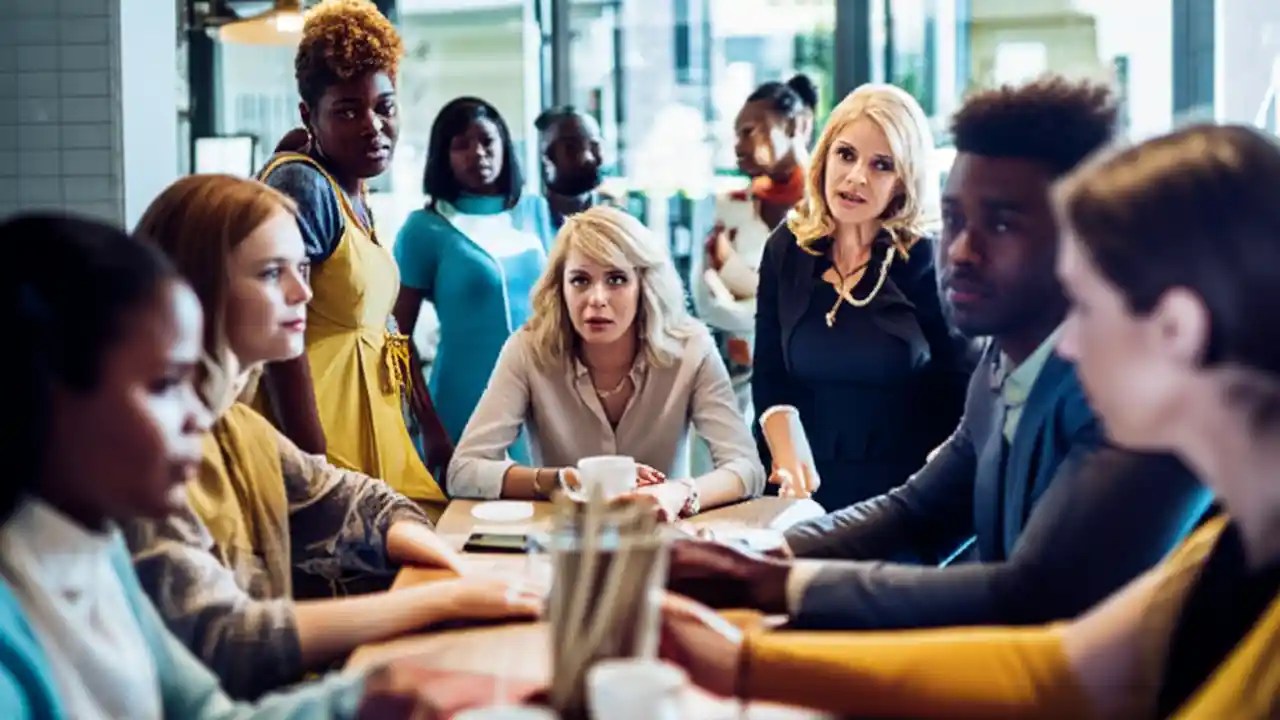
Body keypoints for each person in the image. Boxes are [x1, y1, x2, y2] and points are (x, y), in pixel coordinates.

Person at [660, 124, 1280, 719]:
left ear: (1178, 329)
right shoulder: (1223, 546)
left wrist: (749, 635)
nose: (1068, 347)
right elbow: (1056, 668)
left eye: (1086, 308)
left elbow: (1040, 617)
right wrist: (742, 645)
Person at [667, 77, 1210, 630]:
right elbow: (918, 514)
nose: (959, 250)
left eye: (1000, 223)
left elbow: (1034, 602)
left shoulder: (1134, 401)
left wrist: (773, 586)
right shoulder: (1000, 369)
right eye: (954, 216)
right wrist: (755, 555)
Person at [0, 212, 448, 719]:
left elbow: (206, 713)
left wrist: (367, 700)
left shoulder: (96, 557)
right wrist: (443, 602)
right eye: (165, 385)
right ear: (45, 395)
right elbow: (229, 643)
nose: (196, 414)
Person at [124, 174, 541, 699]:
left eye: (303, 268)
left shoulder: (238, 426)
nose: (304, 292)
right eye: (273, 273)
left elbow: (361, 501)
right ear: (192, 288)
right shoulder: (148, 454)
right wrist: (448, 599)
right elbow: (226, 640)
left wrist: (454, 568)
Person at [447, 206, 765, 520]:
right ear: (561, 287)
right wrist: (561, 481)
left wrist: (678, 492)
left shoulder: (691, 350)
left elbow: (747, 468)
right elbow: (463, 471)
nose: (596, 298)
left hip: (663, 538)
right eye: (580, 280)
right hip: (561, 540)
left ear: (645, 286)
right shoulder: (529, 349)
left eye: (615, 279)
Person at [256, 0, 446, 506]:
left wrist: (427, 422)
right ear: (309, 116)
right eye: (347, 111)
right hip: (322, 434)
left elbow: (381, 327)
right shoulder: (303, 184)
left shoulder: (353, 190)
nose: (373, 126)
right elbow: (276, 328)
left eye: (384, 107)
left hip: (371, 425)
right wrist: (312, 462)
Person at [752, 83, 970, 509]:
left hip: (906, 495)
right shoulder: (787, 247)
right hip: (802, 492)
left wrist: (939, 486)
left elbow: (961, 386)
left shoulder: (928, 258)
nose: (856, 178)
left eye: (881, 165)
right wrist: (780, 436)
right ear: (825, 155)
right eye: (846, 154)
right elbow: (770, 374)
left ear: (905, 180)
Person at [393, 96, 555, 473]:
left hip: (541, 400)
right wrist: (428, 425)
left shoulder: (533, 212)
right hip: (461, 404)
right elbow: (397, 339)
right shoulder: (424, 228)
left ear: (504, 144)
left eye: (486, 141)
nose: (477, 153)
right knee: (466, 524)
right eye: (461, 145)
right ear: (443, 156)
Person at [691, 74, 816, 419]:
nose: (738, 145)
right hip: (733, 391)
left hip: (812, 394)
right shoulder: (724, 210)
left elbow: (823, 309)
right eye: (736, 134)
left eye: (750, 131)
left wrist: (736, 280)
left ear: (795, 126)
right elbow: (706, 303)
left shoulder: (830, 212)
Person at [534, 106, 612, 228]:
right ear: (548, 154)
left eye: (595, 146)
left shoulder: (613, 221)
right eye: (572, 147)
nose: (590, 157)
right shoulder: (525, 224)